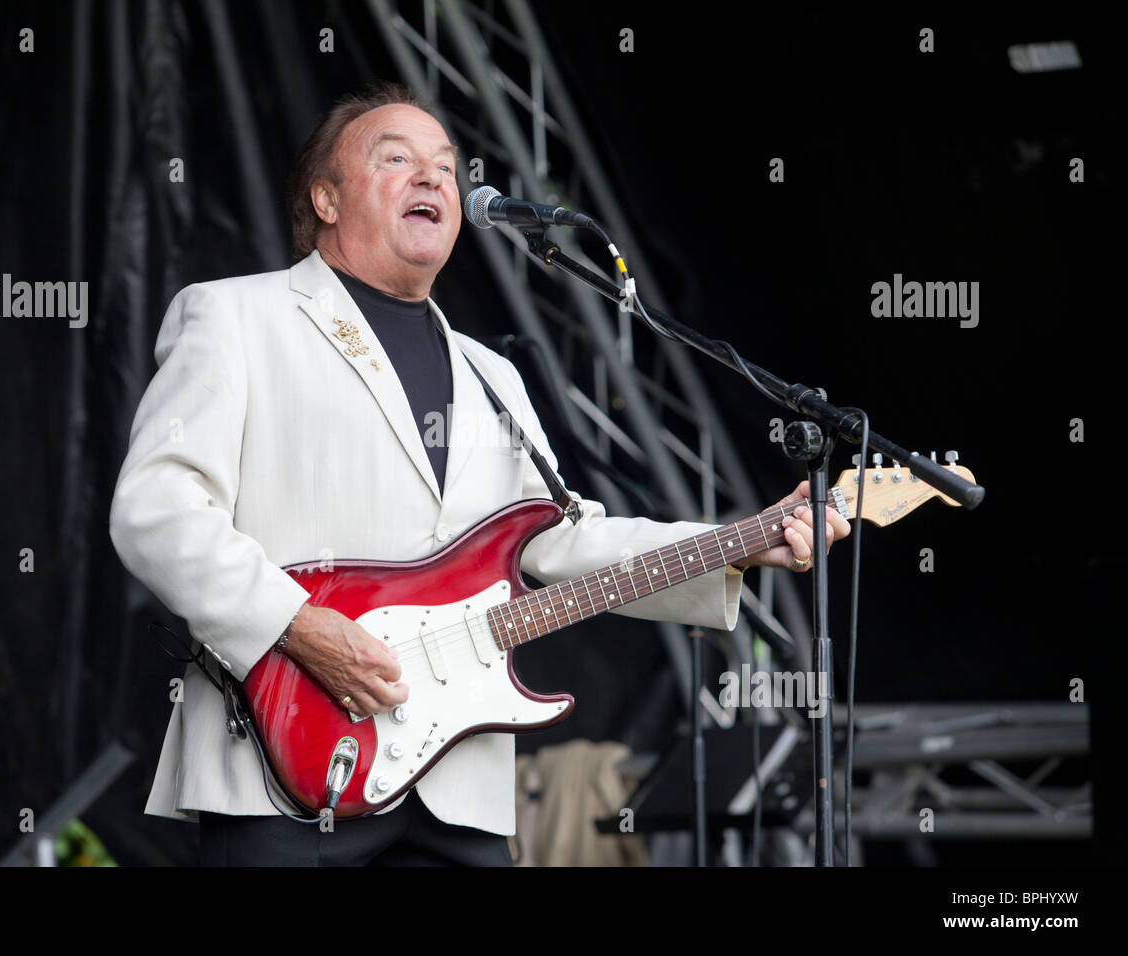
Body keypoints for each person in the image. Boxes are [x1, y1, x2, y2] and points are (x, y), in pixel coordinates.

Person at [108, 84, 850, 866]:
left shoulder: (490, 372)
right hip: (288, 756)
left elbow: (562, 543)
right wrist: (298, 626)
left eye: (446, 166)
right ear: (325, 198)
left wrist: (739, 542)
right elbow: (157, 507)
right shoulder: (236, 317)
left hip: (457, 784)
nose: (433, 178)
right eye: (397, 159)